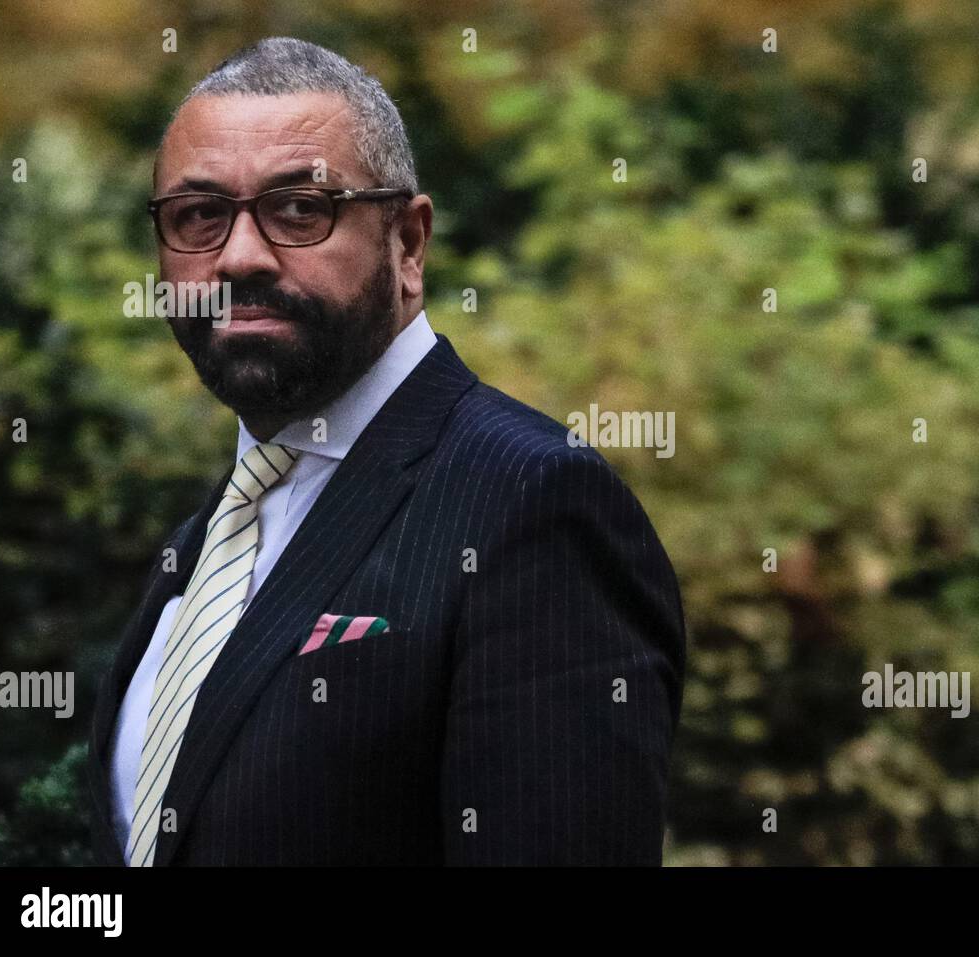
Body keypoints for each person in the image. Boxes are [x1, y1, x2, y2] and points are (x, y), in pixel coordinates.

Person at [86, 37, 686, 866]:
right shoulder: (211, 532)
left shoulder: (533, 502)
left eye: (301, 208)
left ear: (408, 243)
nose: (240, 256)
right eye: (199, 216)